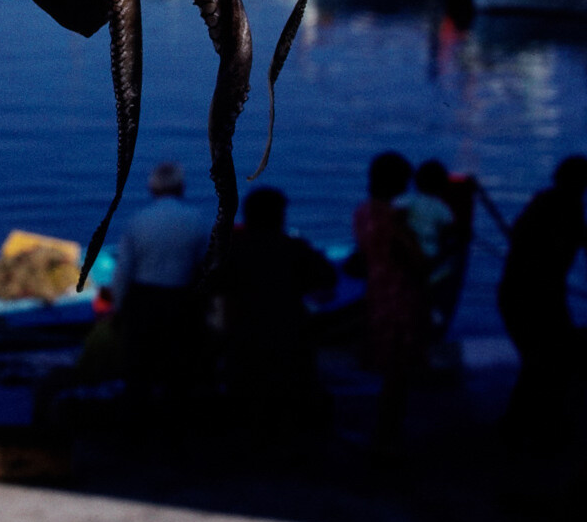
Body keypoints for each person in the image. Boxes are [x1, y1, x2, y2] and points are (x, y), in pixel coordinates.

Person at [497, 155, 587, 439]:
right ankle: (532, 426)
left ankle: (532, 422)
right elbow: (561, 243)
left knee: (545, 360)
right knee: (545, 360)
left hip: (535, 293)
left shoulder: (558, 204)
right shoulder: (557, 206)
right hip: (532, 295)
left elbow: (580, 233)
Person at [220, 186, 337, 431]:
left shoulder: (231, 249)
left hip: (242, 336)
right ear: (279, 215)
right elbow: (327, 278)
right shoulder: (294, 248)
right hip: (288, 335)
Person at [110, 160, 212, 404]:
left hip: (143, 301)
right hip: (182, 302)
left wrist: (119, 308)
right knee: (179, 375)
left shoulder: (138, 221)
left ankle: (138, 429)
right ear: (182, 187)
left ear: (152, 188)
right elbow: (207, 269)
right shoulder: (198, 221)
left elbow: (124, 272)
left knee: (139, 374)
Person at [352, 151, 429, 446]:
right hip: (401, 299)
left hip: (377, 296)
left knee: (391, 371)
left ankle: (385, 433)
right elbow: (418, 263)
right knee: (399, 374)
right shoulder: (395, 220)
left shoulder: (363, 212)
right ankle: (388, 436)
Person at [398, 157, 460, 340]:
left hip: (407, 253)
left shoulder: (406, 200)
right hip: (431, 253)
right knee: (427, 289)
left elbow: (396, 216)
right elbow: (449, 231)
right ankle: (430, 316)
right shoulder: (442, 208)